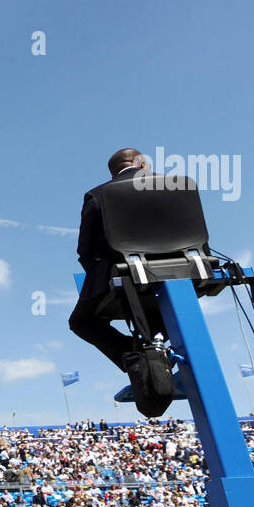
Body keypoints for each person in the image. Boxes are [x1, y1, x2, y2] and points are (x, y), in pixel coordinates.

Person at [68, 148, 166, 373]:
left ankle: (135, 358)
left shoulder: (98, 195)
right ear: (142, 164)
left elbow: (85, 249)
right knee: (159, 312)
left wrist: (100, 275)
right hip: (185, 271)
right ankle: (156, 344)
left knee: (81, 322)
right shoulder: (175, 185)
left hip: (125, 275)